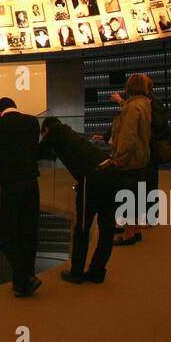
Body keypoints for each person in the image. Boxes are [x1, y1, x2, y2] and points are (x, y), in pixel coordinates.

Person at [0, 96, 45, 297]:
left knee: (7, 233)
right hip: (31, 183)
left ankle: (22, 278)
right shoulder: (32, 122)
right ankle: (25, 279)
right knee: (29, 231)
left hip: (8, 185)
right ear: (15, 107)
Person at [39, 117, 117, 283]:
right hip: (111, 171)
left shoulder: (55, 133)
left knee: (82, 227)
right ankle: (97, 271)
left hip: (93, 178)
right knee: (106, 227)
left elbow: (38, 152)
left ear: (46, 131)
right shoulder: (69, 134)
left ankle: (76, 272)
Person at [97, 74, 154, 245]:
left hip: (129, 161)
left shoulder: (132, 108)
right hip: (141, 158)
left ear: (129, 87)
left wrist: (118, 160)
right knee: (137, 196)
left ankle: (129, 234)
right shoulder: (143, 104)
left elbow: (127, 138)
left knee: (128, 196)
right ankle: (135, 229)